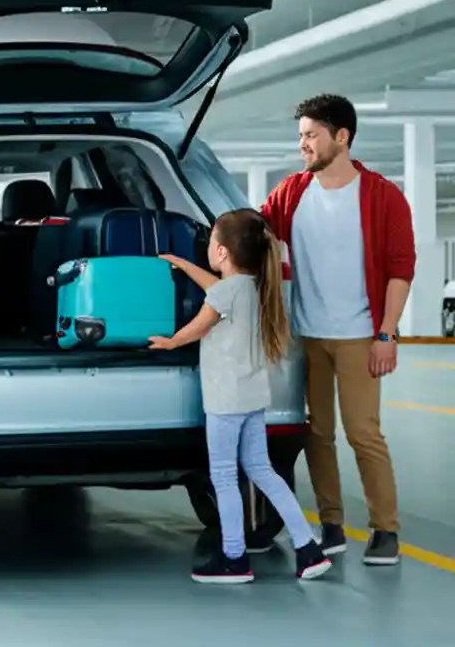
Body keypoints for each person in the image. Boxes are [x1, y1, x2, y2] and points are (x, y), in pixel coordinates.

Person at [260, 94, 414, 565]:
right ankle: (331, 524)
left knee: (363, 432)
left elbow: (400, 269)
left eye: (311, 135)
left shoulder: (381, 195)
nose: (303, 144)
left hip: (359, 334)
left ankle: (385, 530)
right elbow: (257, 232)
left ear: (341, 137)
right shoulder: (291, 193)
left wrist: (387, 334)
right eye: (301, 136)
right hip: (308, 334)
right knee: (316, 432)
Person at [151, 209, 332, 584]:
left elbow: (199, 325)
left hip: (225, 401)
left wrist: (170, 342)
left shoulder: (225, 294)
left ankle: (234, 557)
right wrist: (184, 265)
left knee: (223, 476)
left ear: (220, 253)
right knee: (262, 470)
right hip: (251, 397)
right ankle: (307, 548)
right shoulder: (253, 286)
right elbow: (215, 291)